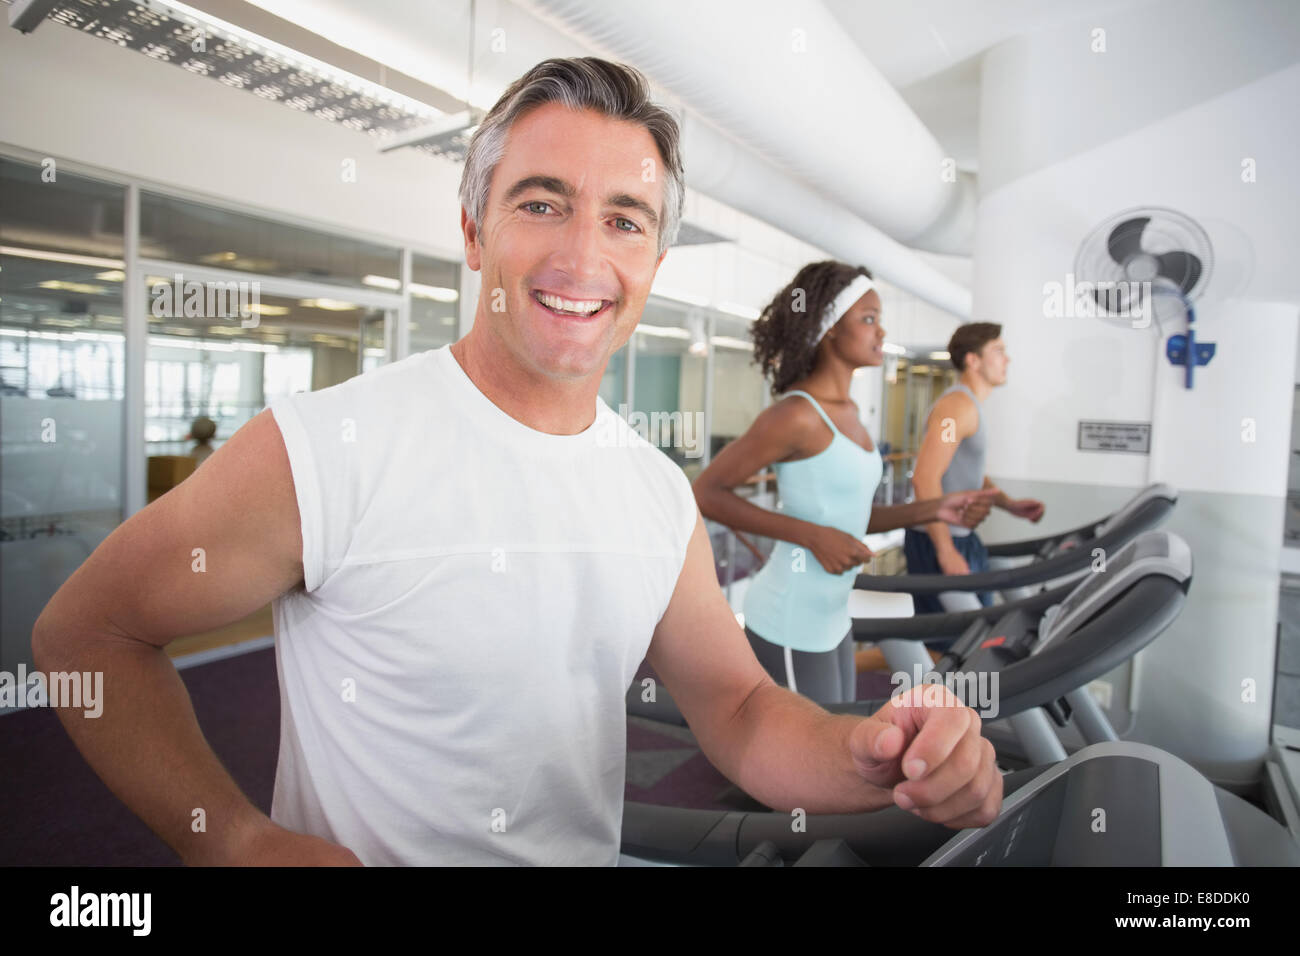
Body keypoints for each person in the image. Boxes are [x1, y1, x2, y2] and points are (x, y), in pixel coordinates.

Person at [31, 57, 1002, 867]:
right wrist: (230, 837)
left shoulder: (656, 495)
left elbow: (741, 708)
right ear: (472, 230)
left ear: (653, 262)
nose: (583, 255)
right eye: (543, 203)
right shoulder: (323, 449)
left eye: (624, 218)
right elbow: (87, 635)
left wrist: (873, 750)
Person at [693, 261, 997, 704]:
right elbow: (707, 492)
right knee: (803, 763)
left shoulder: (850, 413)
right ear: (831, 328)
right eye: (869, 319)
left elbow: (852, 517)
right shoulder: (796, 414)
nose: (880, 332)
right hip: (790, 617)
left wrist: (934, 509)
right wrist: (813, 537)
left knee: (837, 743)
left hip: (835, 614)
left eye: (879, 320)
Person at [906, 322, 1046, 613]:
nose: (1007, 360)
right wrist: (945, 551)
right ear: (973, 360)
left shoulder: (967, 406)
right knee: (947, 644)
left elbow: (963, 469)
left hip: (960, 536)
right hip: (938, 538)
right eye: (998, 351)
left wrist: (1009, 504)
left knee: (966, 640)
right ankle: (845, 660)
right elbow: (925, 477)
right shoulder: (955, 408)